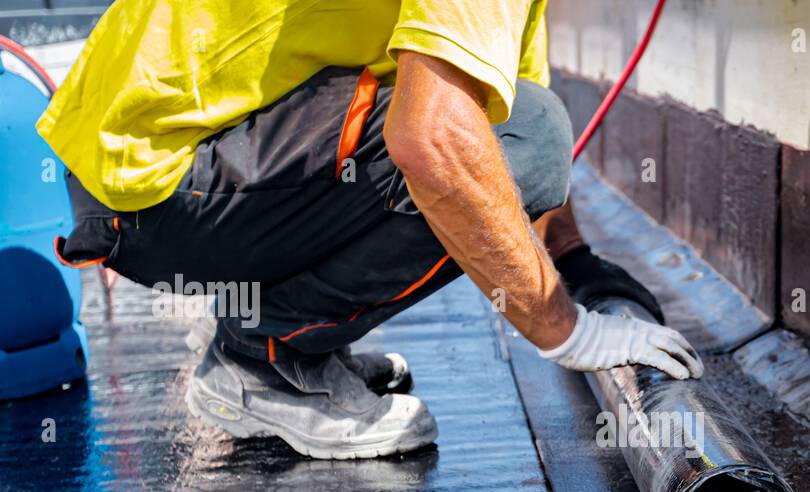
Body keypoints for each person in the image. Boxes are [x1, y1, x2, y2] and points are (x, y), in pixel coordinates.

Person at [39, 0, 702, 459]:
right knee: (489, 146)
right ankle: (267, 359)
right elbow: (441, 137)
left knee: (514, 136)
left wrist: (573, 258)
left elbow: (510, 101)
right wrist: (569, 329)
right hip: (152, 181)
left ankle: (282, 334)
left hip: (144, 155)